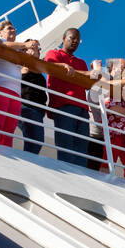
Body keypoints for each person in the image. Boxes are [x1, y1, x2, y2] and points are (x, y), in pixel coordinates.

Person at [44, 28, 91, 165]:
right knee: (66, 146)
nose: (75, 41)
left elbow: (88, 84)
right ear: (63, 39)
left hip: (82, 107)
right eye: (72, 38)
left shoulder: (81, 62)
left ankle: (80, 178)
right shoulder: (53, 53)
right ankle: (67, 177)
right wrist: (64, 65)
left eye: (78, 40)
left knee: (82, 148)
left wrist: (95, 74)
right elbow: (50, 65)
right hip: (63, 104)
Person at [0, 19, 27, 146]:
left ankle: (5, 160)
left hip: (15, 93)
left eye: (14, 28)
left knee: (9, 131)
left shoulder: (19, 50)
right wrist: (25, 45)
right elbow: (4, 45)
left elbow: (33, 59)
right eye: (9, 28)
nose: (13, 30)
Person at [18, 38, 48, 154]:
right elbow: (27, 67)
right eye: (34, 47)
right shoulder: (24, 64)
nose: (38, 50)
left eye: (38, 48)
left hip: (38, 109)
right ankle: (25, 167)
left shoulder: (38, 68)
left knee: (34, 142)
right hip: (27, 107)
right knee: (35, 141)